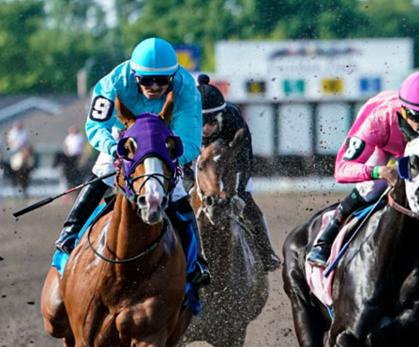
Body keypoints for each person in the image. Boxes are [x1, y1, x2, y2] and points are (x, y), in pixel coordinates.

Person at [55, 37, 207, 286]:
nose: (155, 87)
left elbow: (190, 140)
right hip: (122, 138)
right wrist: (115, 151)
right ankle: (69, 233)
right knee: (103, 172)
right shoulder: (112, 83)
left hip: (162, 141)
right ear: (135, 75)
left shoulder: (185, 87)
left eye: (163, 80)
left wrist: (172, 157)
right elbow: (95, 127)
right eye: (148, 80)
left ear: (173, 76)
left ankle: (196, 262)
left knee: (178, 193)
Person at [306, 71, 419, 283]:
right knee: (371, 189)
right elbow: (342, 168)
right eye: (418, 117)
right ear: (404, 112)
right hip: (387, 149)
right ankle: (325, 241)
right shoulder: (381, 118)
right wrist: (379, 172)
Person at [193, 73, 280, 270]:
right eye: (201, 122)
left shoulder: (234, 120)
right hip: (196, 163)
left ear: (219, 117)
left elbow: (244, 161)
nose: (205, 129)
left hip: (233, 165)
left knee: (249, 205)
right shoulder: (184, 123)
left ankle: (266, 253)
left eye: (210, 123)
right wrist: (190, 184)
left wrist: (238, 190)